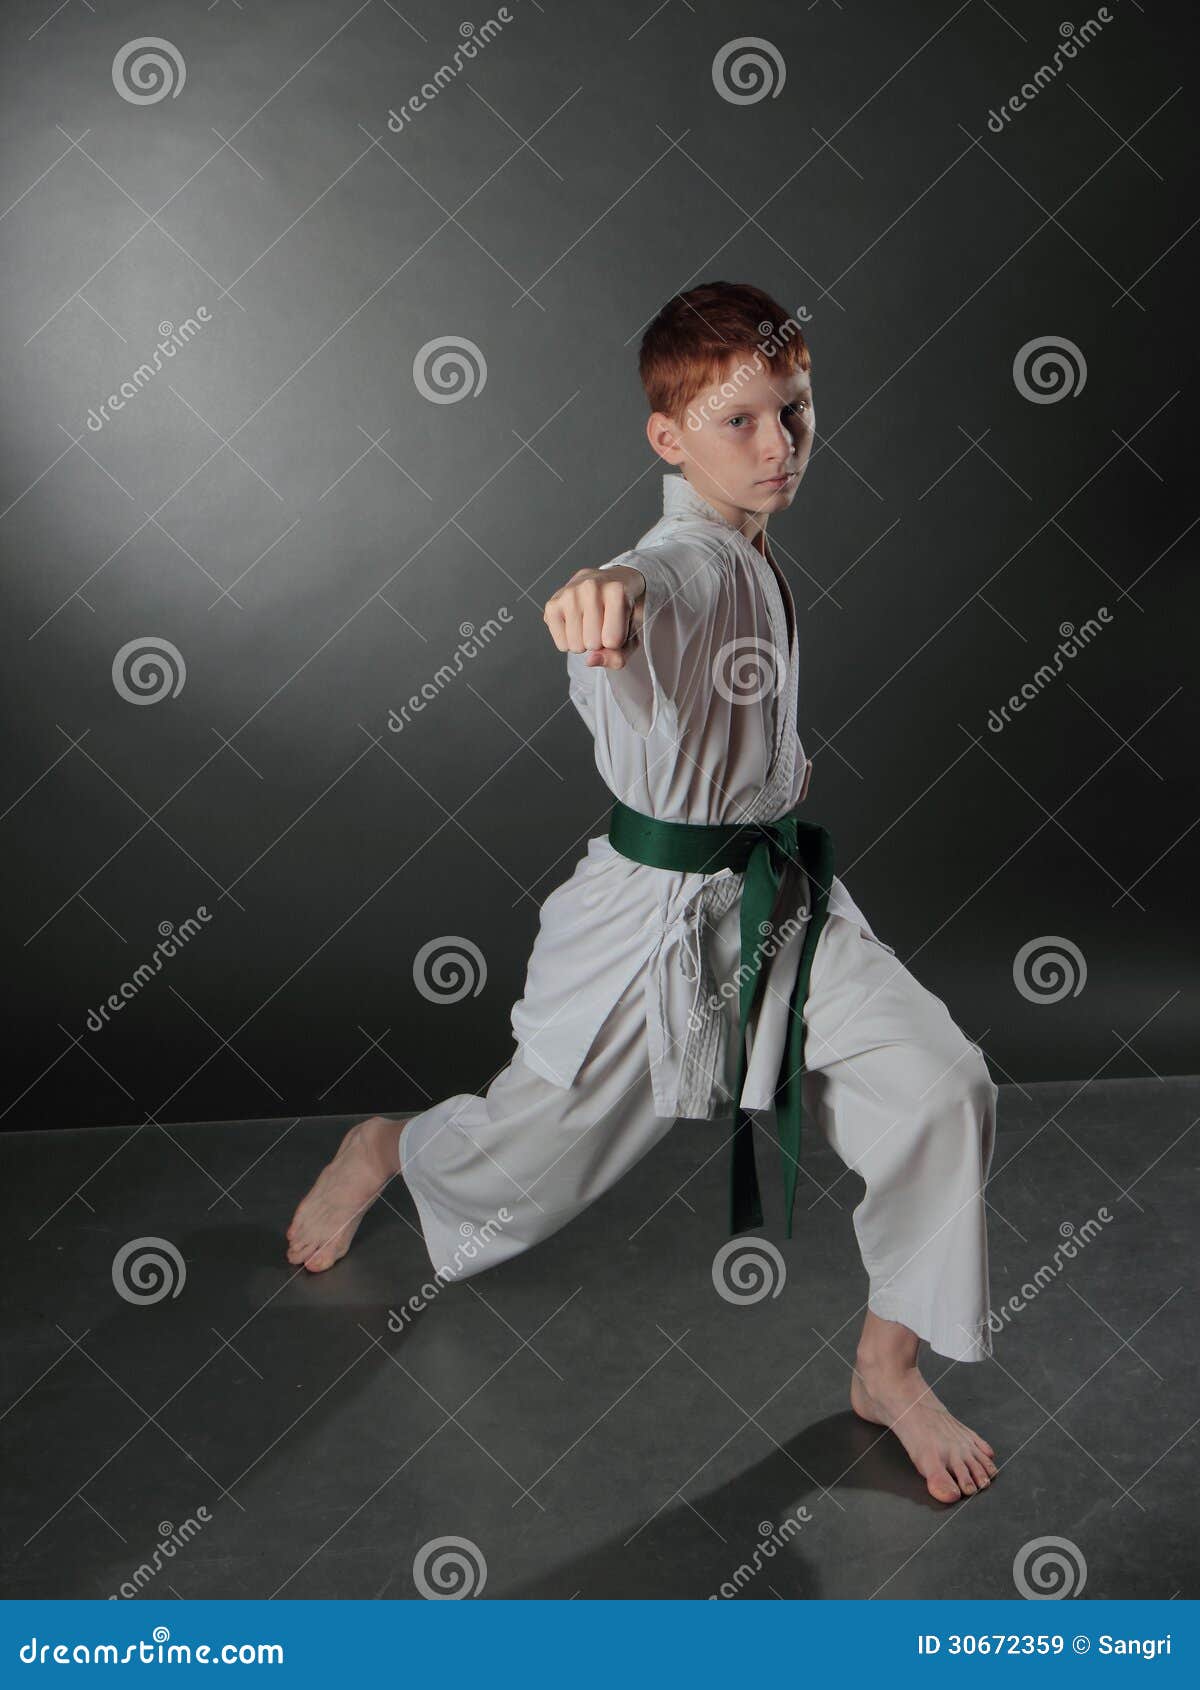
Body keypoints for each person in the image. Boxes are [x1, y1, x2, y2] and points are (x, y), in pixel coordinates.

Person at [286, 281, 1000, 1506]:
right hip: (650, 926)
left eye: (795, 411)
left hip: (780, 897)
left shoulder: (755, 545)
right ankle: (389, 1146)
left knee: (944, 1082)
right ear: (668, 438)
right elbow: (634, 586)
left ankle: (888, 1369)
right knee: (526, 1173)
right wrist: (596, 608)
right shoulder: (678, 563)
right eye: (740, 422)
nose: (778, 446)